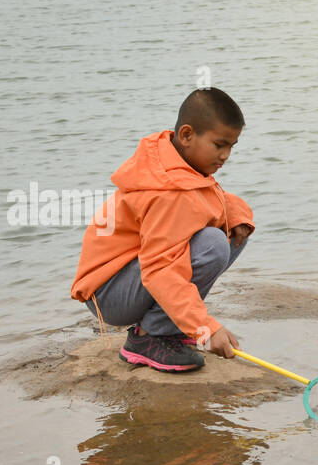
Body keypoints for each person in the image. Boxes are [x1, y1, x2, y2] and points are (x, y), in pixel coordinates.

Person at [70, 88, 254, 372]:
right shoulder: (168, 192)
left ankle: (166, 327)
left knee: (233, 233)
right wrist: (206, 328)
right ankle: (148, 337)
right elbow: (159, 270)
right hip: (109, 292)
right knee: (214, 244)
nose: (226, 155)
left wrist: (235, 212)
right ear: (186, 135)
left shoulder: (176, 159)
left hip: (133, 276)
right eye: (219, 144)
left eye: (232, 146)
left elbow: (204, 197)